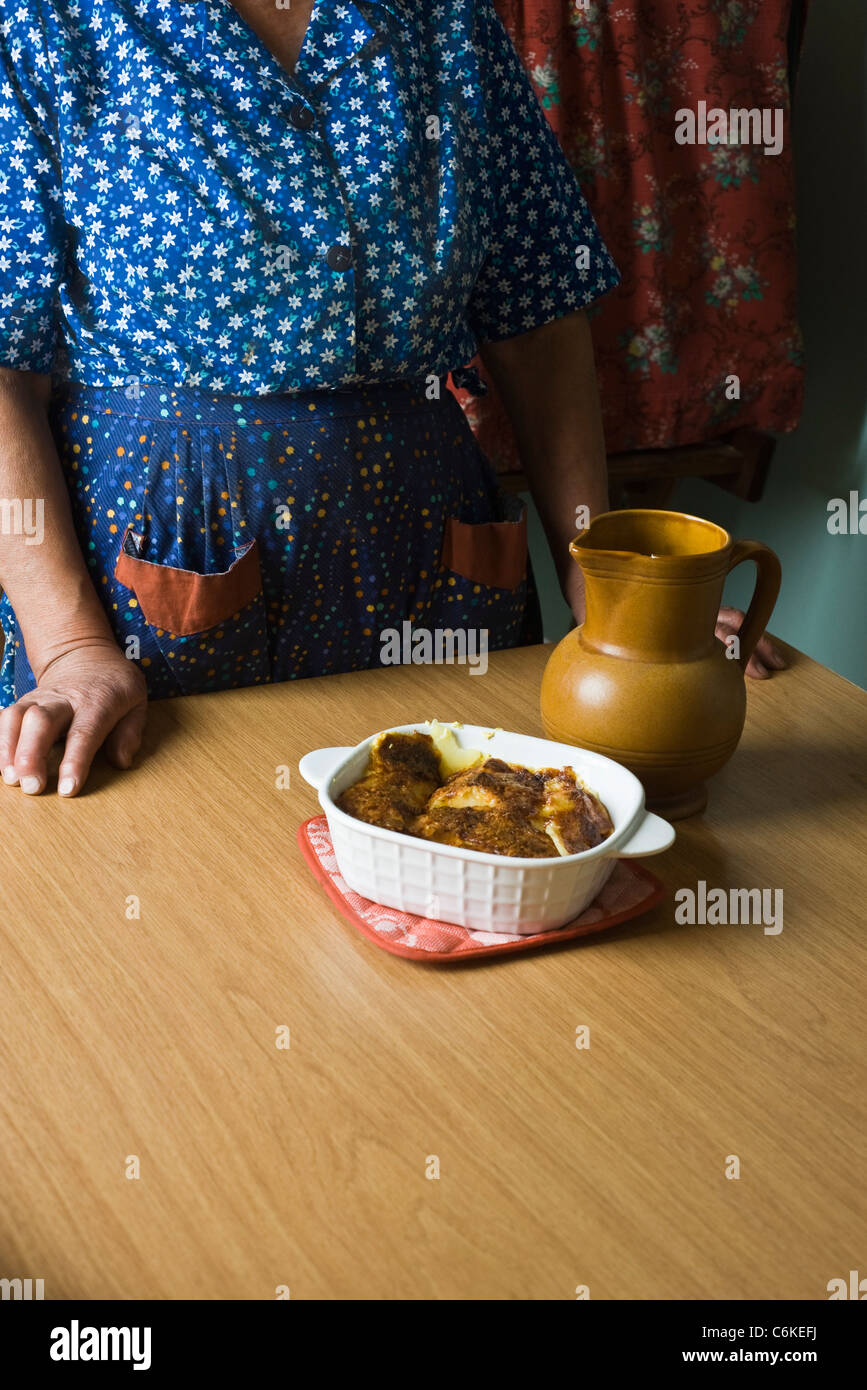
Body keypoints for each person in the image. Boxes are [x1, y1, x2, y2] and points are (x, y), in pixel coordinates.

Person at [0, 0, 782, 797]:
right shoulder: (47, 24)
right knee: (177, 882)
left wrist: (607, 593)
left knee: (474, 842)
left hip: (428, 553)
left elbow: (537, 314)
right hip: (153, 574)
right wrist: (70, 648)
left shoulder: (448, 20)